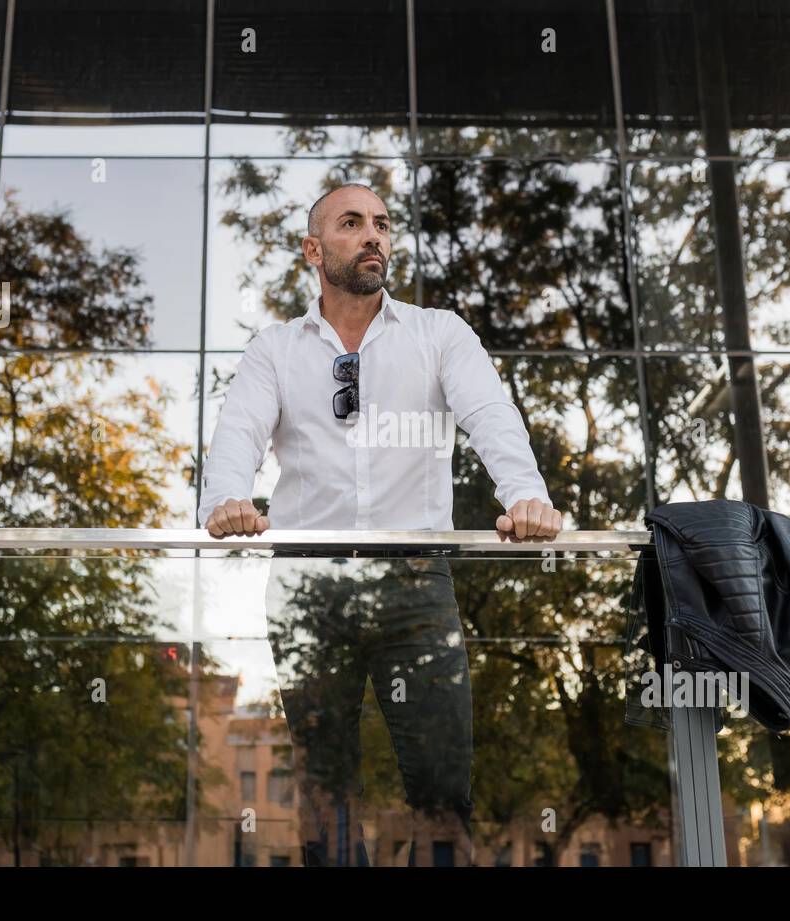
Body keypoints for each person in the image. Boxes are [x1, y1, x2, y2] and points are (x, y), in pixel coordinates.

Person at [200, 182, 562, 866]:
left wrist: (525, 495)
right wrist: (226, 501)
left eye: (383, 224)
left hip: (416, 585)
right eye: (352, 222)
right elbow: (237, 437)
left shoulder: (438, 333)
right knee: (325, 787)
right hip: (310, 590)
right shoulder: (274, 350)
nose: (374, 235)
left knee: (442, 782)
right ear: (314, 249)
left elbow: (489, 416)